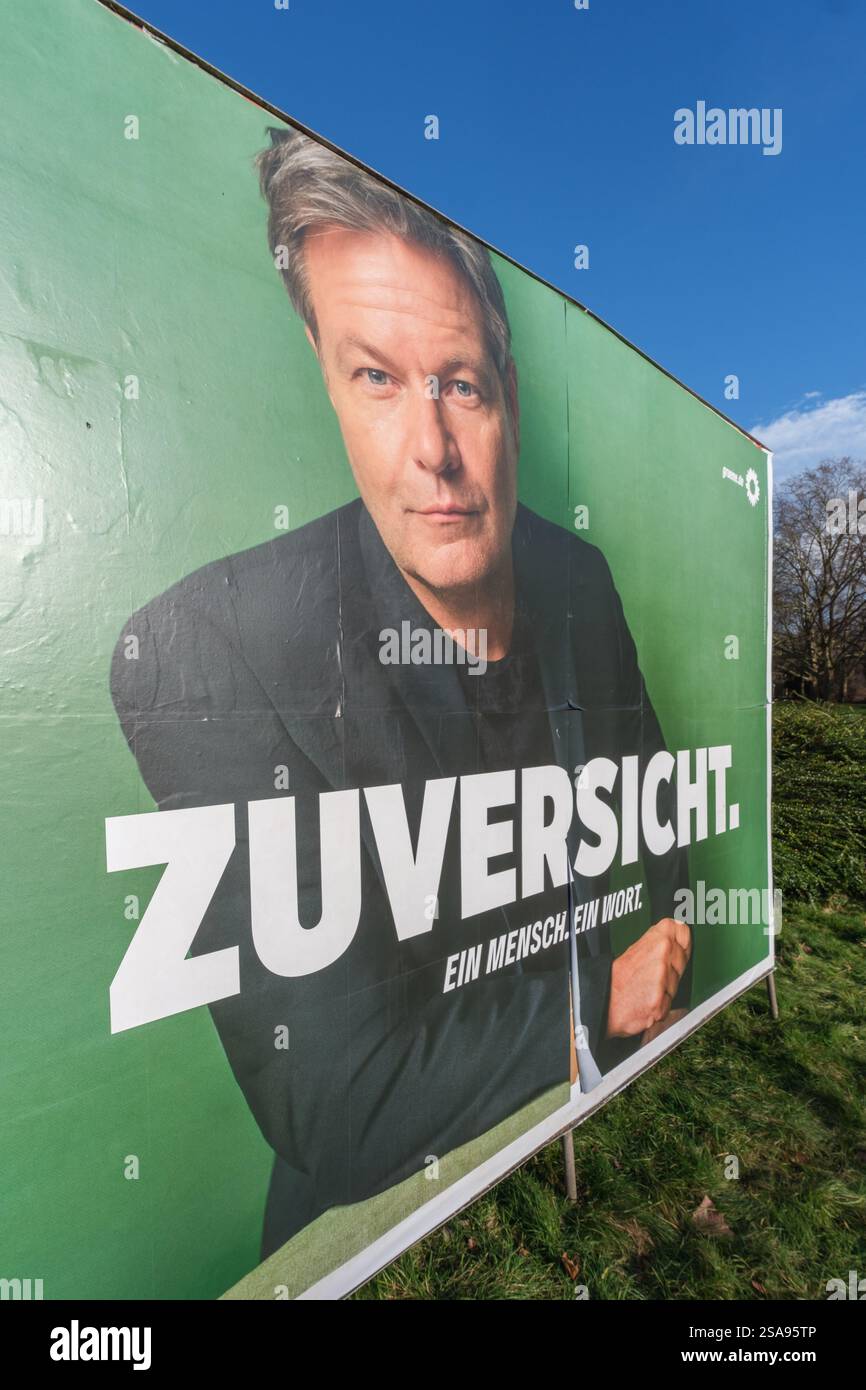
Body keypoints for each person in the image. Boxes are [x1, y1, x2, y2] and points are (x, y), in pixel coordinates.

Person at [110, 125, 691, 1260]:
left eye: (458, 384)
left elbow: (657, 802)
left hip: (591, 1154)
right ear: (328, 377)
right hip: (394, 1244)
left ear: (508, 398)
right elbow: (342, 1103)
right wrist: (594, 999)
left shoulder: (577, 580)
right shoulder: (204, 649)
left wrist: (669, 923)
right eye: (375, 377)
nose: (429, 448)